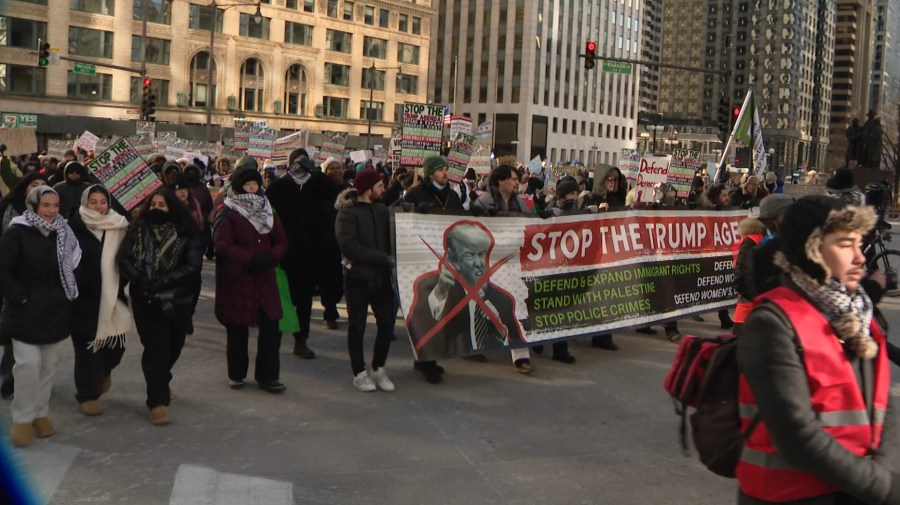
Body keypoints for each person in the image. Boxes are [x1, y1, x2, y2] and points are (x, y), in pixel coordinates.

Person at [737, 195, 900, 504]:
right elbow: (797, 436)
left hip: (856, 490)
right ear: (813, 251)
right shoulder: (771, 323)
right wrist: (884, 487)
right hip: (789, 497)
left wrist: (880, 476)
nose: (860, 258)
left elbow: (882, 408)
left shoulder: (856, 312)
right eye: (844, 245)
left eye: (858, 244)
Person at [0, 186, 80, 447]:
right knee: (27, 367)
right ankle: (22, 419)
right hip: (25, 312)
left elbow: (72, 265)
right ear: (33, 206)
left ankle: (40, 414)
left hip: (55, 311)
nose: (51, 211)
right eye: (46, 205)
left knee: (47, 368)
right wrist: (21, 297)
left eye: (55, 205)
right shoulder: (17, 232)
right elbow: (4, 270)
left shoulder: (64, 233)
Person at [117, 189, 204, 425]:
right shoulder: (137, 228)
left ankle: (161, 379)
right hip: (145, 299)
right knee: (156, 349)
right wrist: (140, 278)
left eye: (162, 205)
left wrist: (162, 281)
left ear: (173, 208)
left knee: (173, 347)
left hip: (178, 299)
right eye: (153, 204)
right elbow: (123, 258)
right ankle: (157, 401)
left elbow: (192, 265)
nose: (157, 208)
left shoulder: (188, 231)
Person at [406, 221, 526, 363]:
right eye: (470, 255)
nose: (478, 263)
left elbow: (513, 334)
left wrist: (500, 333)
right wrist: (441, 291)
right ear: (453, 258)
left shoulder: (503, 299)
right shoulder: (433, 286)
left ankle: (521, 359)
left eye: (481, 254)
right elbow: (423, 323)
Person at [214, 168, 288, 393]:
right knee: (237, 329)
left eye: (255, 184)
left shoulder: (268, 210)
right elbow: (222, 245)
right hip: (238, 279)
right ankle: (236, 374)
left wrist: (271, 257)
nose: (253, 189)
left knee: (271, 329)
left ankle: (268, 376)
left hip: (265, 279)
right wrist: (249, 259)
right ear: (238, 187)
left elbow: (281, 239)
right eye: (247, 185)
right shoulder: (228, 212)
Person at [266, 148, 343, 357]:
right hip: (285, 254)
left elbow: (335, 195)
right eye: (297, 163)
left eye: (304, 163)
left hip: (311, 254)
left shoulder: (317, 185)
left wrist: (316, 173)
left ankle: (301, 340)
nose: (300, 168)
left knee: (305, 300)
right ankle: (275, 339)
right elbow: (267, 208)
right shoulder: (280, 187)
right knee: (283, 299)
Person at [68, 185, 131, 416]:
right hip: (82, 299)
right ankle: (87, 396)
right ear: (85, 203)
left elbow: (127, 258)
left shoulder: (120, 226)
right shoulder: (72, 228)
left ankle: (105, 372)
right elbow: (66, 262)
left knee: (116, 347)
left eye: (102, 201)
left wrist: (123, 278)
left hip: (113, 296)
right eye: (92, 201)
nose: (98, 206)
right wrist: (82, 280)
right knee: (86, 350)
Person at [402, 156, 464, 383]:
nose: (445, 173)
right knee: (427, 311)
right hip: (424, 258)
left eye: (446, 169)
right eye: (440, 170)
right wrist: (416, 210)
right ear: (429, 173)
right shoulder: (416, 194)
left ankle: (432, 355)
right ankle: (425, 360)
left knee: (444, 309)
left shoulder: (453, 195)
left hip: (449, 258)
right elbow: (404, 222)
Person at [335, 170, 397, 392]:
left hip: (381, 279)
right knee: (357, 326)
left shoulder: (382, 211)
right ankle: (359, 372)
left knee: (387, 324)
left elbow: (394, 236)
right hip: (358, 279)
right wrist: (383, 258)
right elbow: (349, 246)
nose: (383, 189)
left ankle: (379, 368)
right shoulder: (347, 214)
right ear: (368, 189)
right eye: (380, 185)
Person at [580, 165, 629, 349]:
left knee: (608, 295)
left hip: (611, 253)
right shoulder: (590, 197)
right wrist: (596, 211)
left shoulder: (616, 199)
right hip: (593, 254)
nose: (612, 182)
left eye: (615, 179)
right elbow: (578, 220)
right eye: (609, 179)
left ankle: (603, 336)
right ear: (601, 180)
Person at [731, 194, 794, 334]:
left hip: (777, 317)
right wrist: (761, 300)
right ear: (776, 216)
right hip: (749, 318)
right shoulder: (753, 240)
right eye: (788, 213)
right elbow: (741, 279)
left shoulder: (785, 238)